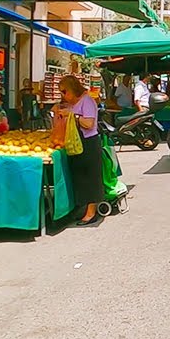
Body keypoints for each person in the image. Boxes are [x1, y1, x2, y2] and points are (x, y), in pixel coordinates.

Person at [55, 75, 103, 226]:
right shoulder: (76, 103)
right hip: (78, 144)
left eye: (64, 91)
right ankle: (83, 209)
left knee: (90, 178)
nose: (63, 95)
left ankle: (91, 213)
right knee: (80, 177)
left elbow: (89, 123)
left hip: (88, 143)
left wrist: (73, 116)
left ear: (73, 89)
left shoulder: (87, 101)